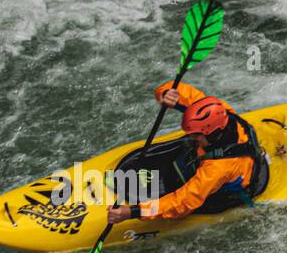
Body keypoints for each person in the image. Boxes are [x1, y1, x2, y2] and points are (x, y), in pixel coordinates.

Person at [107, 82, 269, 225]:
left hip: (224, 190)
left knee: (186, 193)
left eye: (196, 134)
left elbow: (183, 203)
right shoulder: (219, 111)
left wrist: (133, 212)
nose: (191, 136)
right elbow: (183, 91)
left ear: (213, 134)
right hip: (204, 160)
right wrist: (166, 93)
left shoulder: (218, 169)